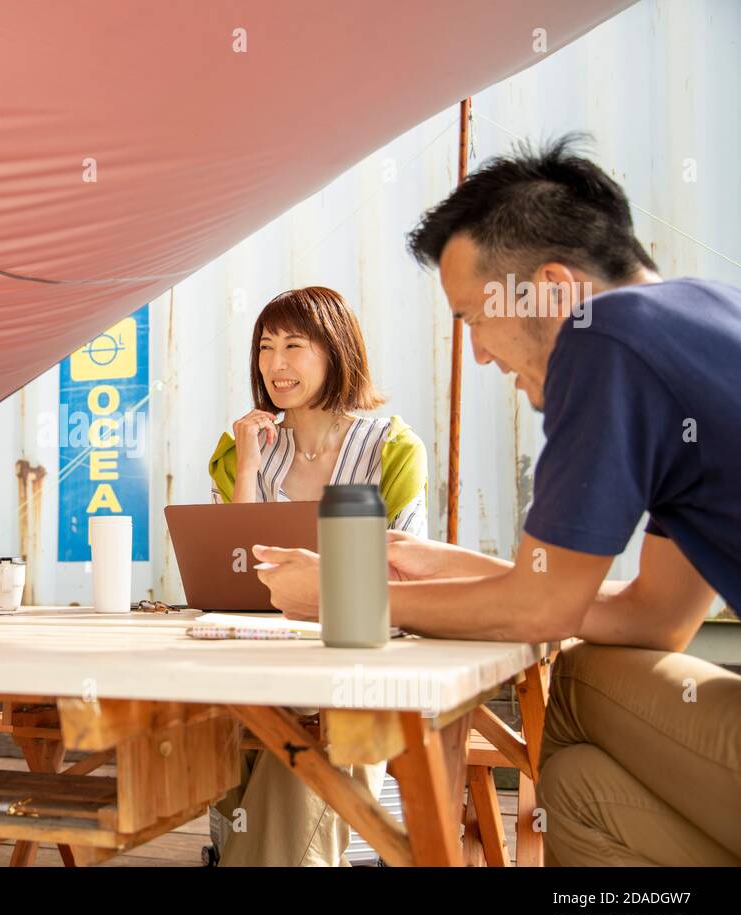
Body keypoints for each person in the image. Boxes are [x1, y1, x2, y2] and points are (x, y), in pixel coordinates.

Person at [255, 136, 741, 865]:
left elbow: (542, 611)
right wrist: (447, 564)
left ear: (551, 287)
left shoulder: (605, 335)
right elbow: (654, 619)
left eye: (473, 318)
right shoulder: (706, 312)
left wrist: (337, 593)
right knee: (575, 790)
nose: (479, 353)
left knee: (578, 685)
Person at [207, 285, 428, 866]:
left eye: (294, 346)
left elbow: (411, 578)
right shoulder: (240, 452)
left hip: (359, 668)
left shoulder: (391, 449)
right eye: (264, 347)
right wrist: (251, 466)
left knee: (310, 749)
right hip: (257, 667)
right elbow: (234, 574)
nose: (275, 363)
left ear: (335, 352)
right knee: (218, 733)